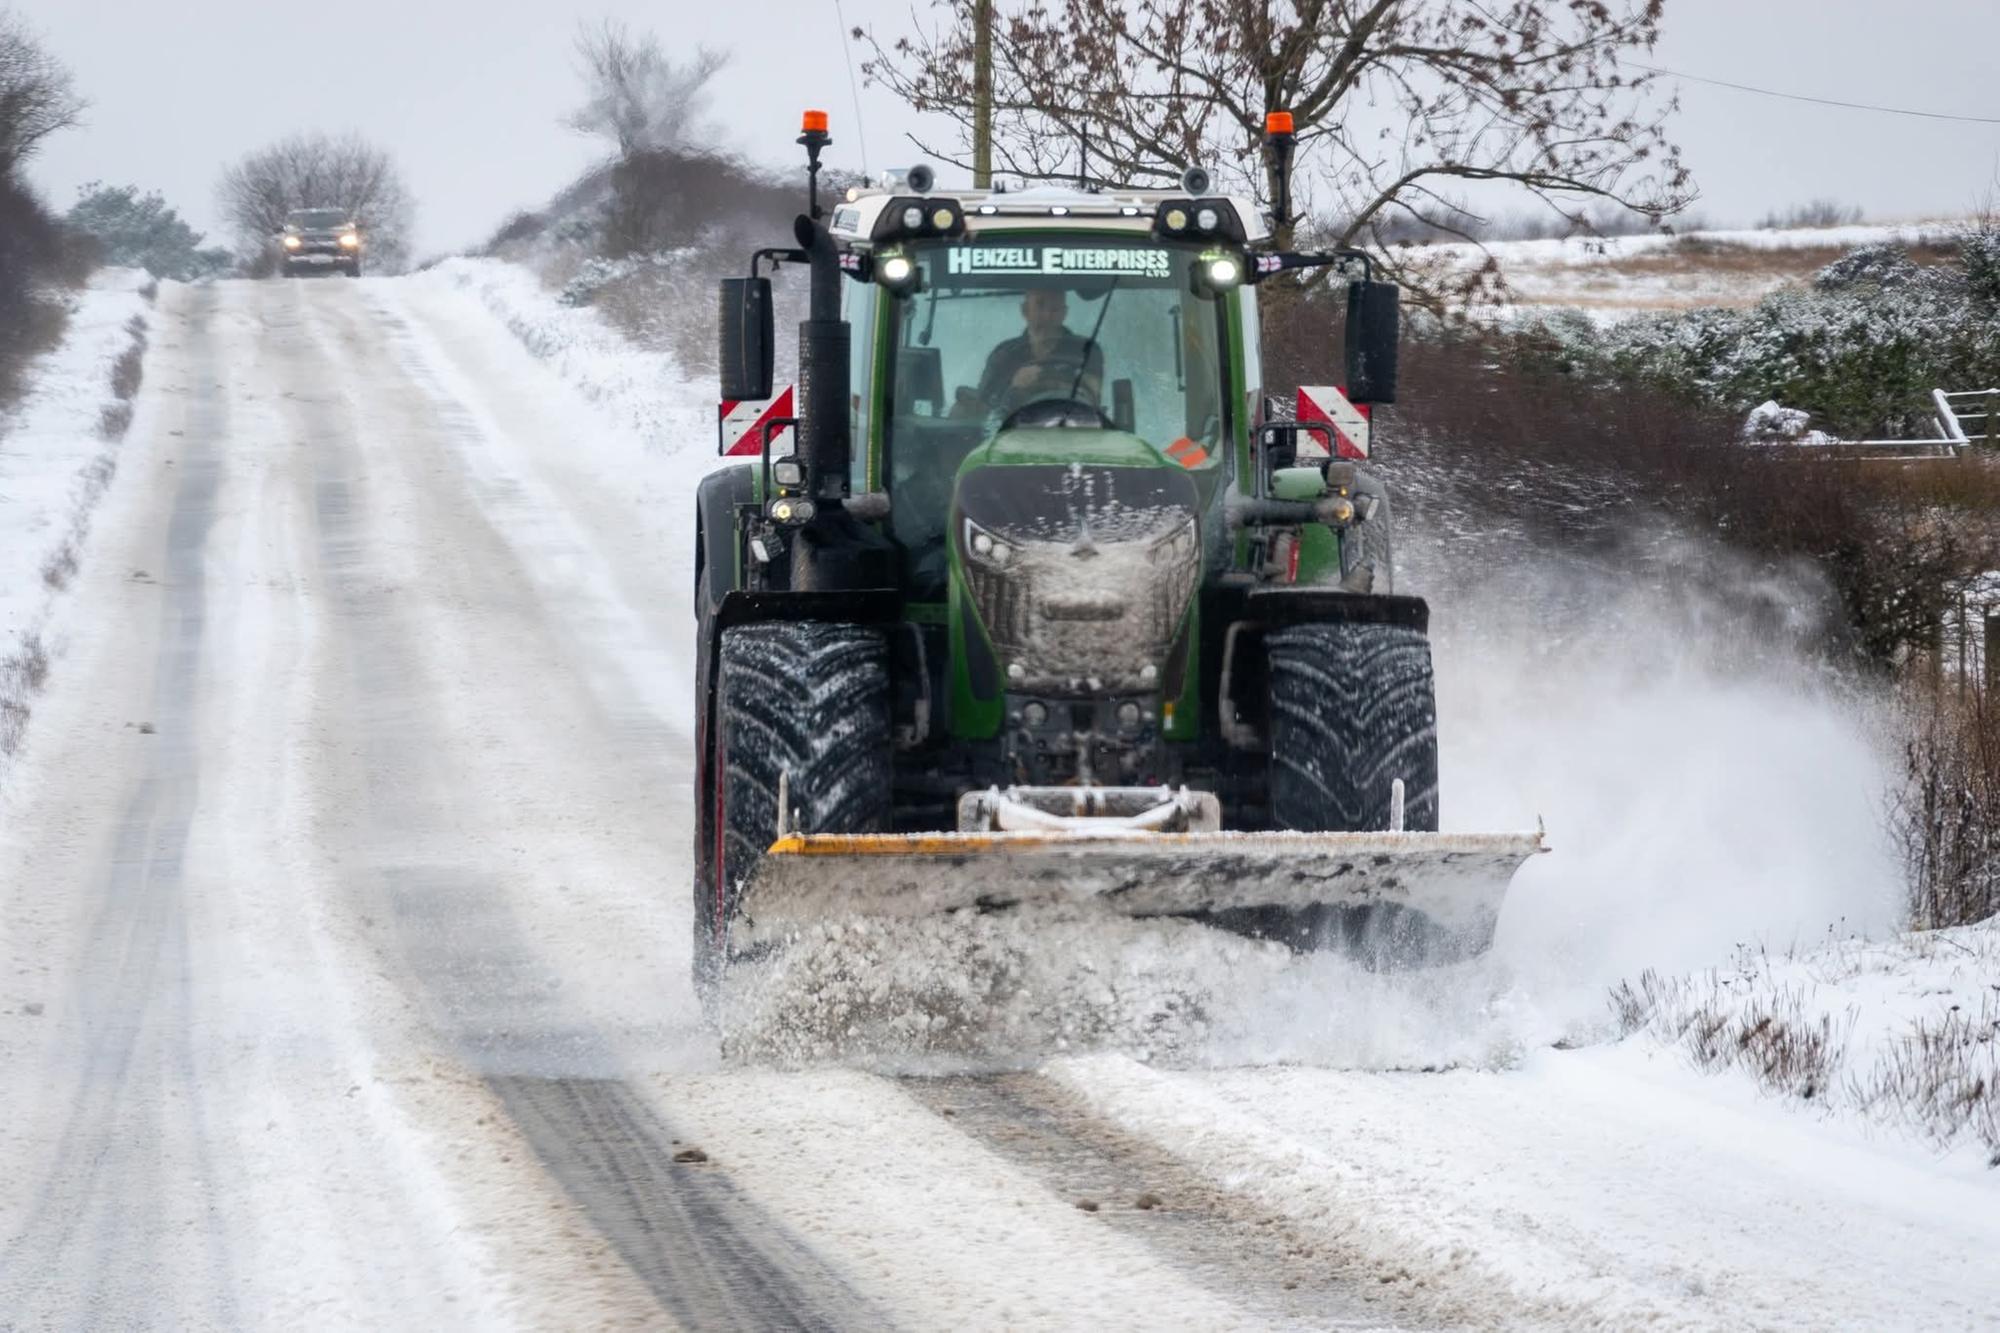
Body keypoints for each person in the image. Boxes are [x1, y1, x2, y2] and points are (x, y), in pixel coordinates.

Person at [955, 287, 1105, 418]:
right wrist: (1015, 387)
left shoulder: (1086, 350)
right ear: (1025, 310)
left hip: (1076, 433)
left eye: (1055, 309)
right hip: (1010, 438)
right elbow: (986, 409)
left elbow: (1092, 396)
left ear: (1064, 313)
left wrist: (1049, 382)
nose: (1047, 315)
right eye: (1040, 305)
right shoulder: (1004, 354)